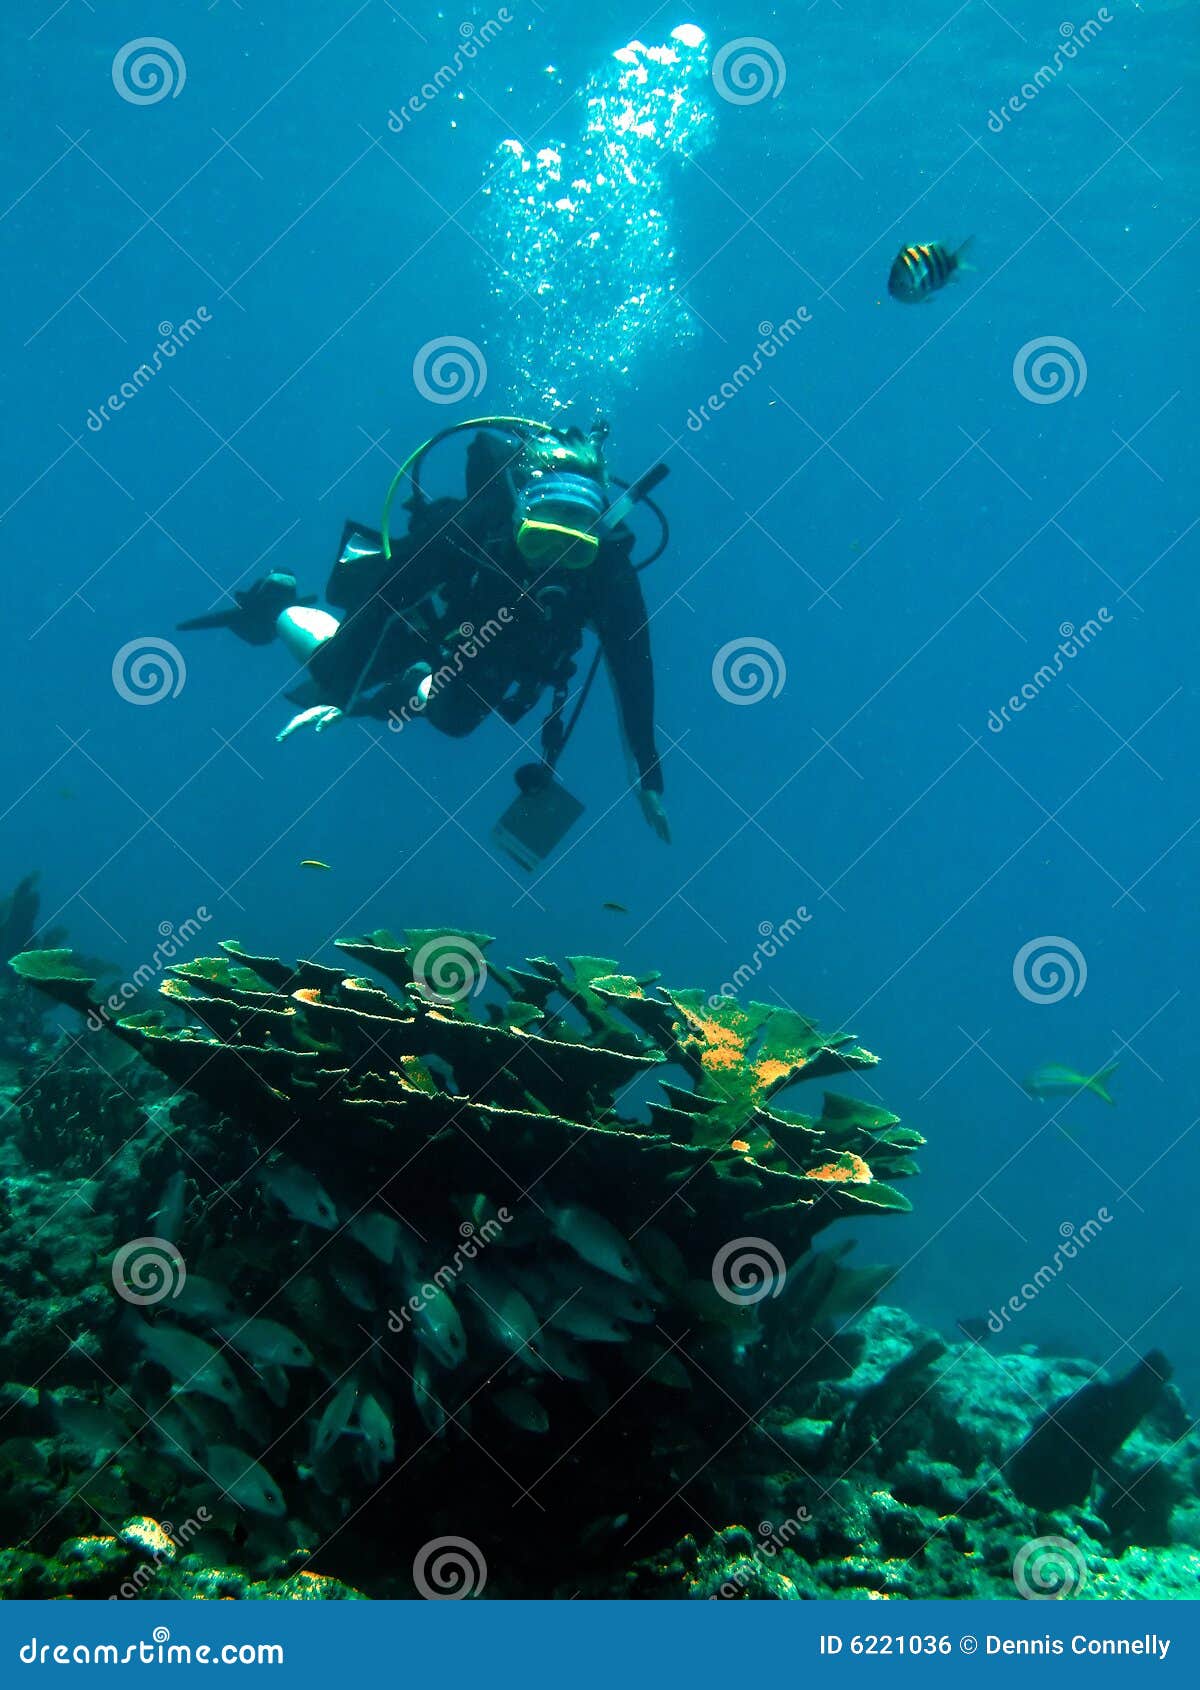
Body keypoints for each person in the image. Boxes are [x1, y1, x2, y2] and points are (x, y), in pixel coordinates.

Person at [178, 417, 670, 845]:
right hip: (428, 620)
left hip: (505, 653)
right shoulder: (471, 526)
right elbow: (386, 599)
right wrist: (342, 689)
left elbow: (633, 669)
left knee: (453, 721)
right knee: (329, 667)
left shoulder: (610, 572)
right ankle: (276, 604)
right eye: (540, 541)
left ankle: (414, 683)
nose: (552, 563)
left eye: (574, 550)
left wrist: (648, 773)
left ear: (597, 537)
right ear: (520, 512)